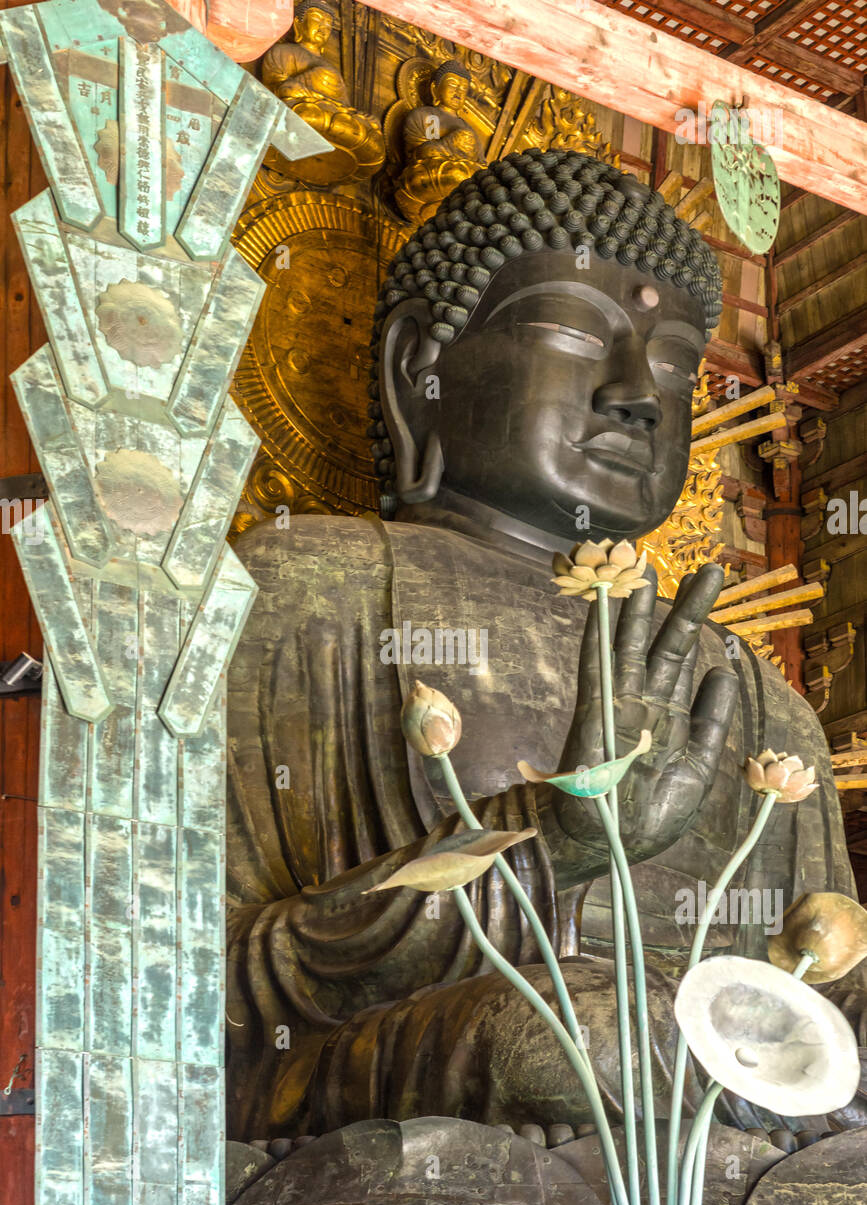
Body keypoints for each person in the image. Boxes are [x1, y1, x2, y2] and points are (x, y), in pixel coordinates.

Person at [226, 148, 863, 1144]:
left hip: (703, 1096)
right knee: (557, 1034)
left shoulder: (758, 697)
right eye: (574, 329)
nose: (637, 394)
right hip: (448, 1062)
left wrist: (832, 964)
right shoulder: (307, 584)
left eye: (673, 364)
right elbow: (204, 981)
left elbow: (822, 1024)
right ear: (417, 371)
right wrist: (555, 834)